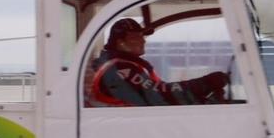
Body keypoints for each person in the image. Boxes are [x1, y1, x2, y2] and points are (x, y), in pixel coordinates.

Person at [85, 18, 231, 107]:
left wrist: (201, 99)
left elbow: (160, 94)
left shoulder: (126, 66)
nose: (143, 40)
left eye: (142, 36)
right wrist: (205, 84)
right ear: (120, 42)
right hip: (119, 136)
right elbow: (160, 96)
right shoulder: (118, 69)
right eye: (136, 37)